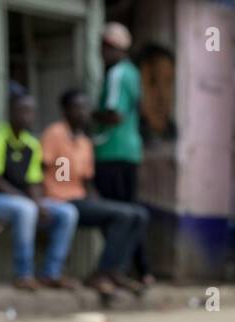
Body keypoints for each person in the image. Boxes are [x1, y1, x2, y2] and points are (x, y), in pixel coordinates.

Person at [41, 89, 148, 296]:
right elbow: (39, 169)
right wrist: (39, 200)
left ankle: (116, 271)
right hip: (59, 199)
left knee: (138, 214)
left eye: (86, 108)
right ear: (65, 111)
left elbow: (87, 179)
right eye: (78, 108)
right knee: (123, 215)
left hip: (80, 198)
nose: (83, 113)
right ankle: (101, 274)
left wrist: (97, 200)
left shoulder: (84, 142)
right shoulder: (55, 134)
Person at [0, 92, 79, 290]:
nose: (27, 116)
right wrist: (31, 203)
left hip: (22, 201)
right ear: (10, 112)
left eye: (31, 112)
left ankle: (51, 273)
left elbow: (33, 182)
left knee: (67, 212)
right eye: (22, 111)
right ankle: (23, 274)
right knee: (26, 209)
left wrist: (39, 203)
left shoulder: (31, 143)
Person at [92, 22, 152, 282]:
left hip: (112, 151)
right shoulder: (133, 73)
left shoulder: (116, 73)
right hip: (128, 151)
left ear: (111, 47)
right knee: (131, 213)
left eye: (103, 47)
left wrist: (89, 115)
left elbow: (115, 114)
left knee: (119, 215)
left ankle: (119, 268)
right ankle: (141, 270)